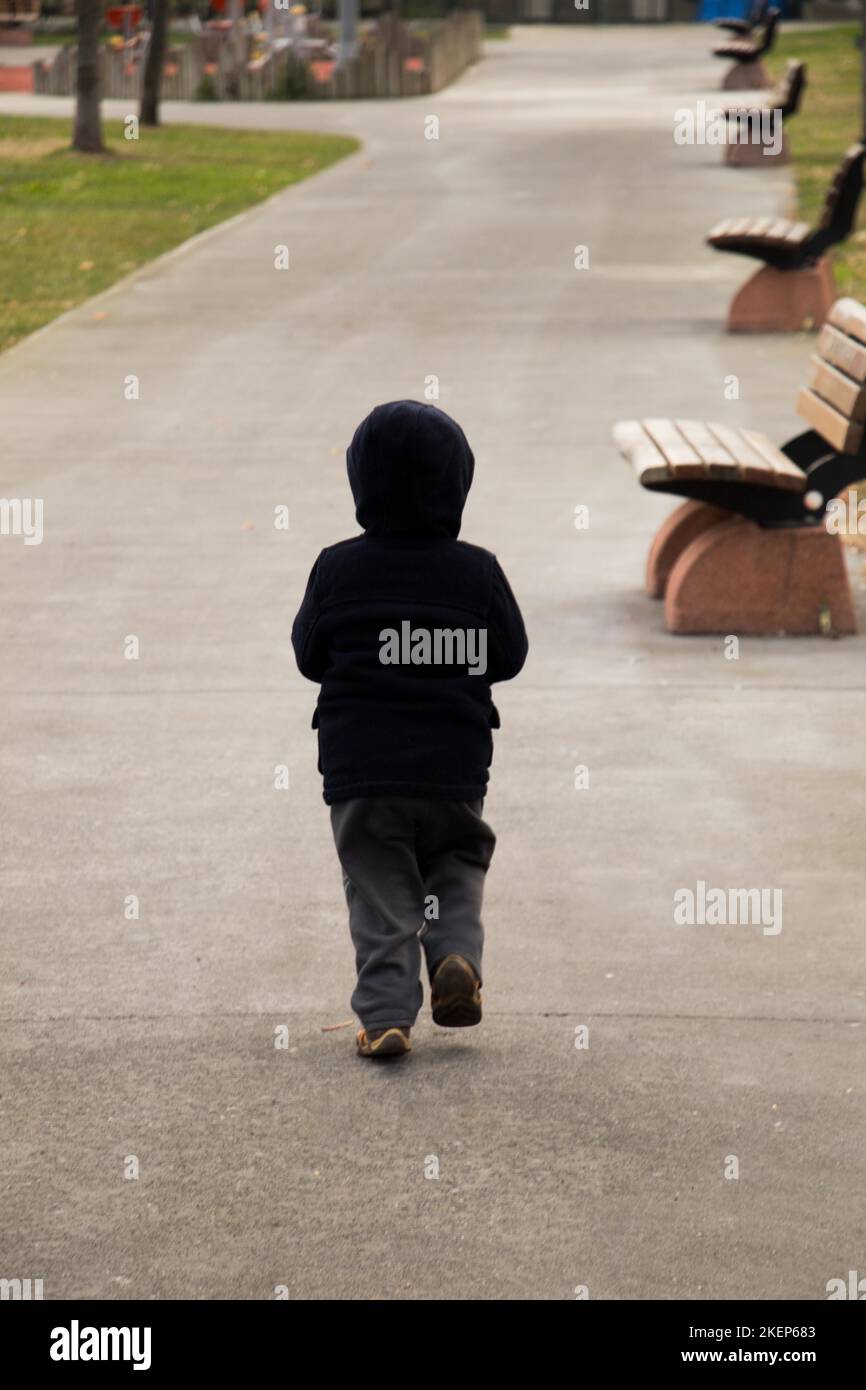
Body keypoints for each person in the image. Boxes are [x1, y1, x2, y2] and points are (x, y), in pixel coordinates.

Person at [292, 400, 528, 1059]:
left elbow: (309, 654)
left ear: (360, 485)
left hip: (362, 771)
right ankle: (454, 953)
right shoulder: (476, 572)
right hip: (453, 766)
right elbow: (510, 655)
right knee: (455, 861)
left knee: (381, 887)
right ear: (459, 486)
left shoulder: (336, 569)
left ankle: (387, 1014)